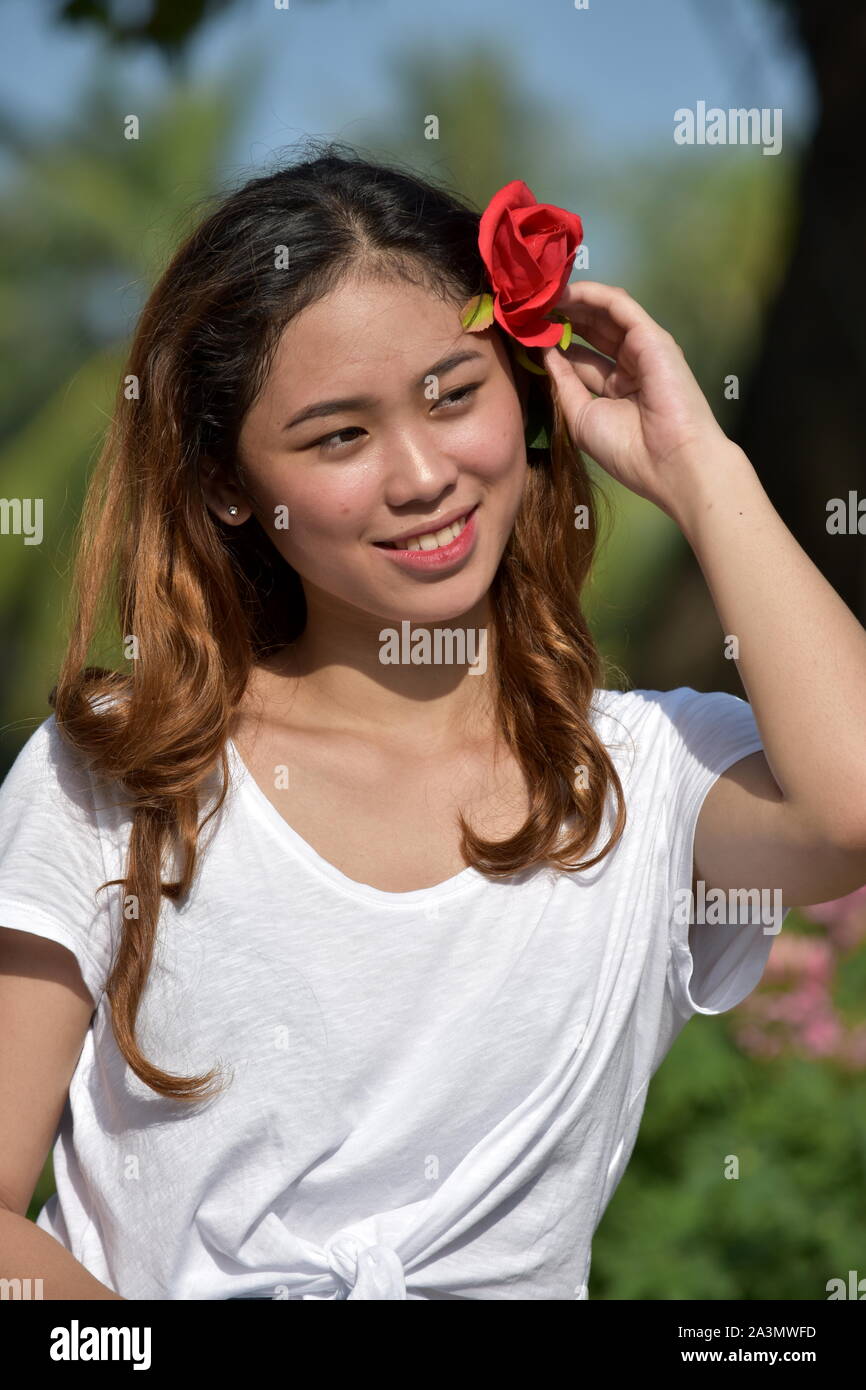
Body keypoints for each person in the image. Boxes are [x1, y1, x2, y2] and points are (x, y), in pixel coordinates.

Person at [1, 141, 865, 1302]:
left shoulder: (637, 775)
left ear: (524, 392)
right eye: (337, 435)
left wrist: (697, 464)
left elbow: (847, 813)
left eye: (453, 395)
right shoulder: (121, 763)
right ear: (226, 484)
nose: (419, 474)